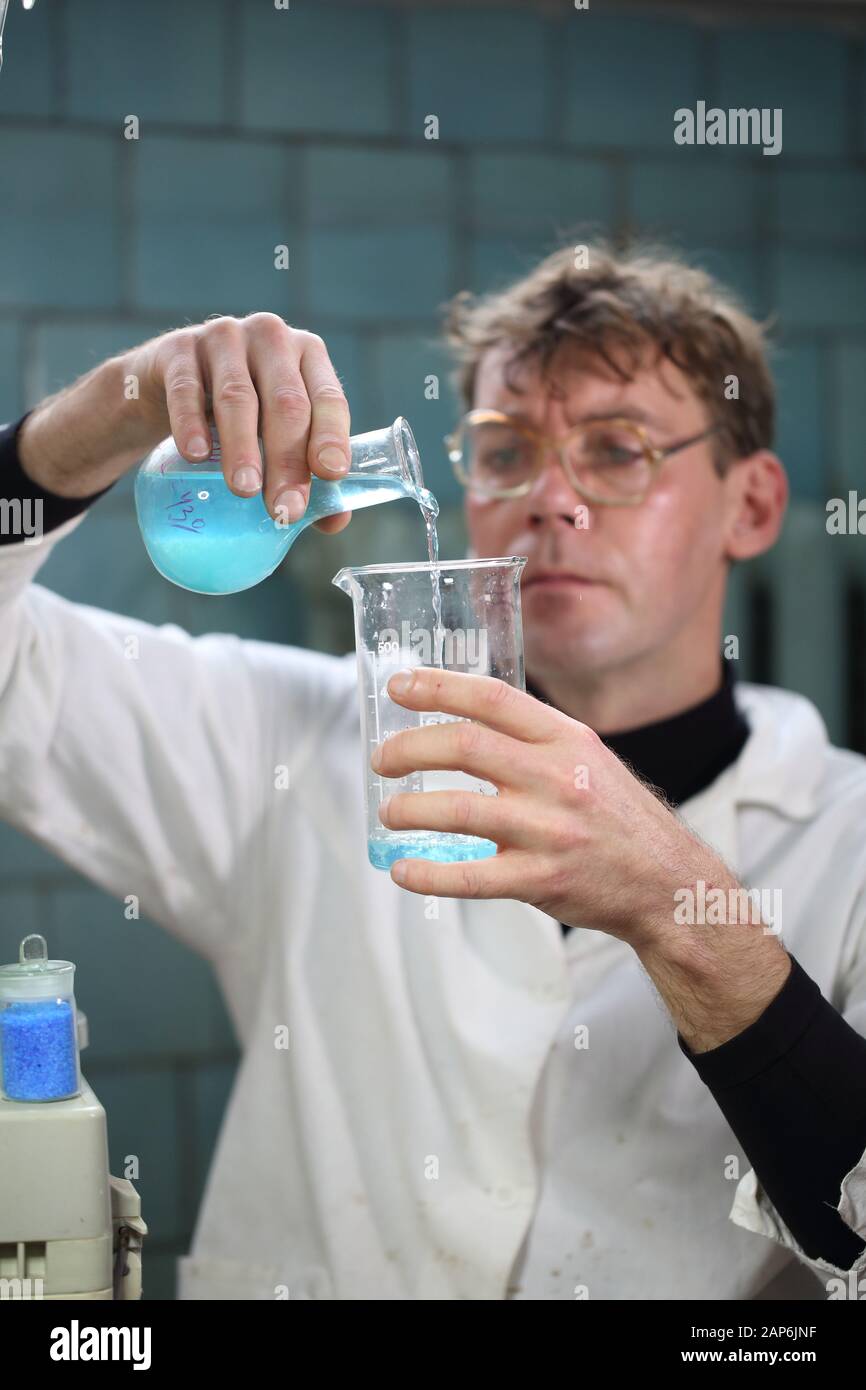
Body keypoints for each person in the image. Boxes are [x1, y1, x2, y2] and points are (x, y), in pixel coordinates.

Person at [1, 243, 864, 1301]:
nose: (550, 498)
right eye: (505, 451)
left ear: (753, 505)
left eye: (616, 448)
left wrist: (675, 910)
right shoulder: (295, 745)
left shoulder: (847, 837)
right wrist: (114, 410)